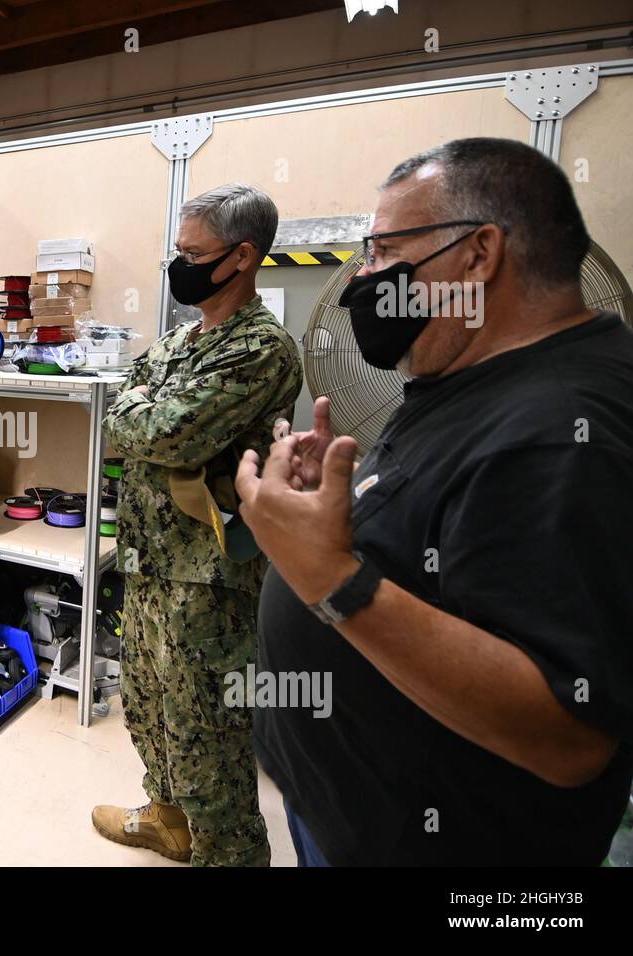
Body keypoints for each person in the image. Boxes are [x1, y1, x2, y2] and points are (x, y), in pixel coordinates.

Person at [238, 138, 633, 865]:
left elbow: (569, 736)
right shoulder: (473, 372)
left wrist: (330, 577)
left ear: (479, 254)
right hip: (346, 814)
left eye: (386, 251)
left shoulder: (561, 429)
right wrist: (345, 503)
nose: (365, 276)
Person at [94, 183, 303, 866]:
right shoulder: (182, 341)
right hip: (149, 562)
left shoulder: (264, 348)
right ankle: (166, 821)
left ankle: (230, 854)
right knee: (150, 709)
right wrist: (140, 409)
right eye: (176, 253)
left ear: (241, 257)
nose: (177, 266)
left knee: (207, 734)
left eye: (192, 254)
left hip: (209, 575)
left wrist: (141, 409)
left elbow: (165, 431)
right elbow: (128, 412)